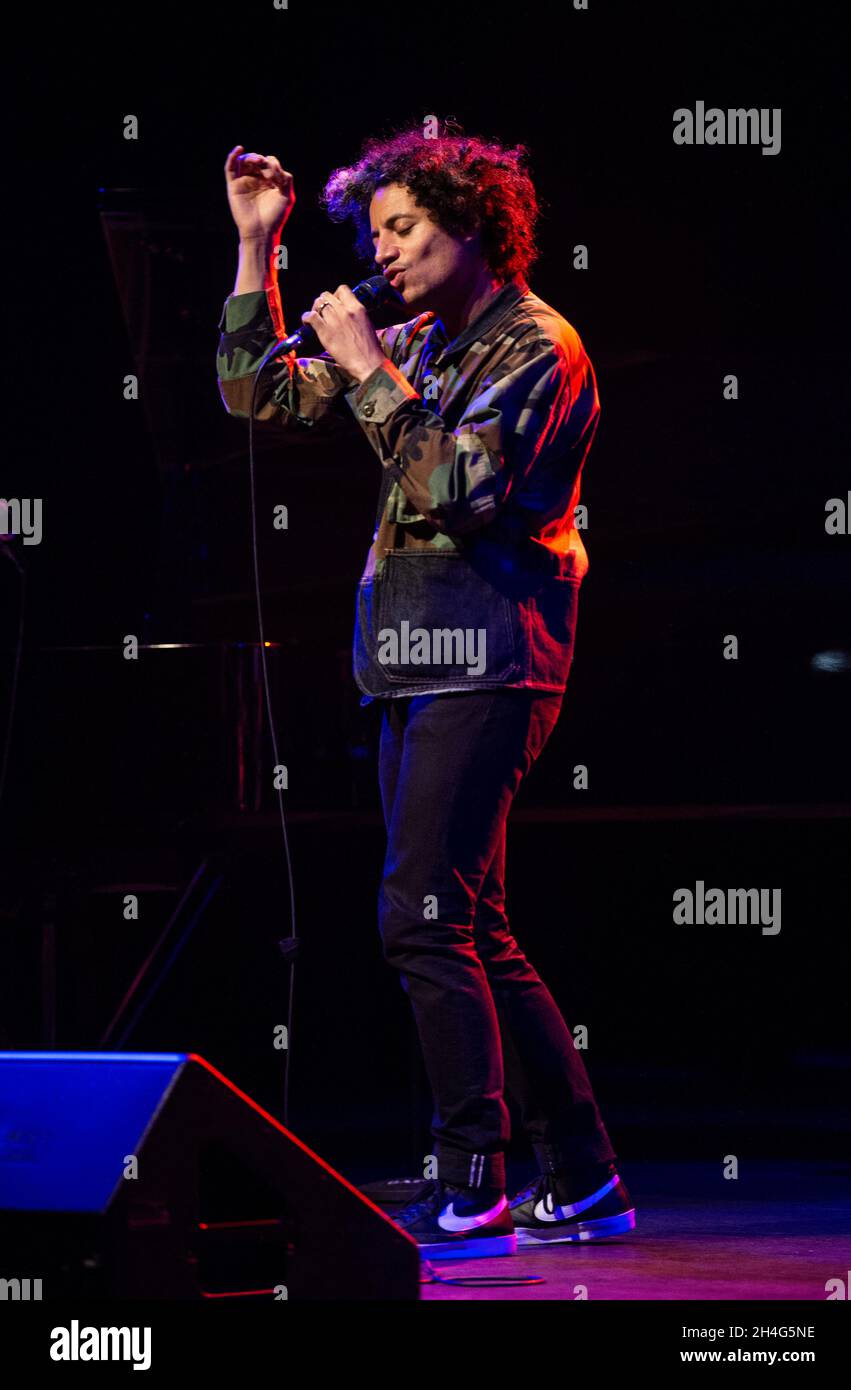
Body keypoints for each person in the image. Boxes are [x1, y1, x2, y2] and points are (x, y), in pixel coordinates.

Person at [216, 125, 635, 1261]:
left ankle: (473, 1182)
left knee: (421, 915)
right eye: (376, 234)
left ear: (475, 227)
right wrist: (261, 250)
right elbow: (256, 397)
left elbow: (460, 491)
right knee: (470, 921)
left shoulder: (537, 346)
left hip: (492, 656)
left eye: (401, 228)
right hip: (413, 658)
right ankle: (586, 1175)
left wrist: (365, 368)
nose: (384, 254)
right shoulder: (424, 338)